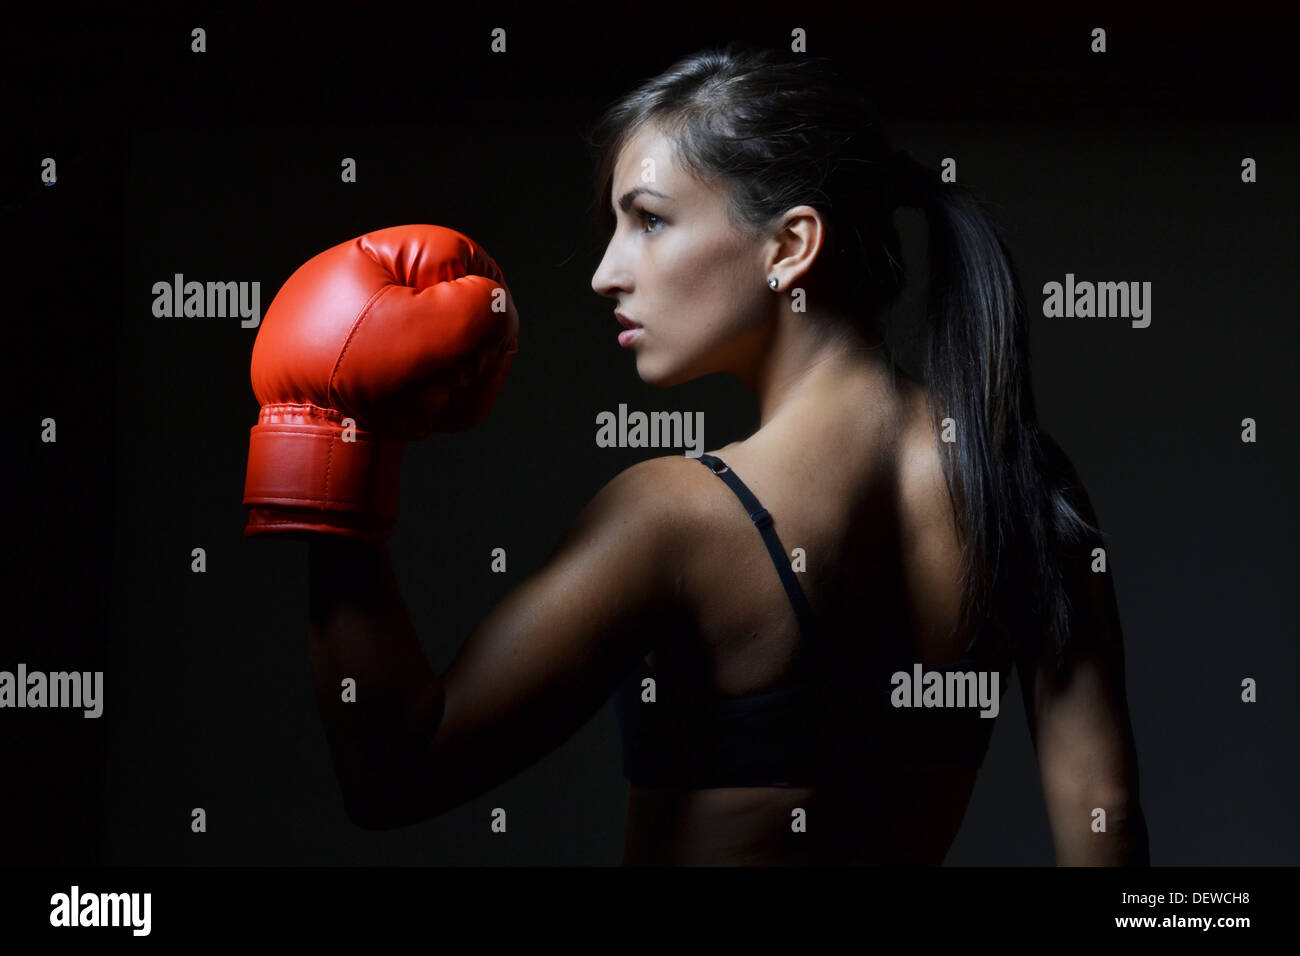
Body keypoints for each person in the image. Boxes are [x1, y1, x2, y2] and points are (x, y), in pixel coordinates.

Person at [300, 44, 1149, 866]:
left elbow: (393, 776)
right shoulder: (1023, 479)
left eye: (651, 220)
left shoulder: (674, 516)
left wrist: (323, 446)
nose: (604, 274)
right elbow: (1104, 825)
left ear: (790, 246)